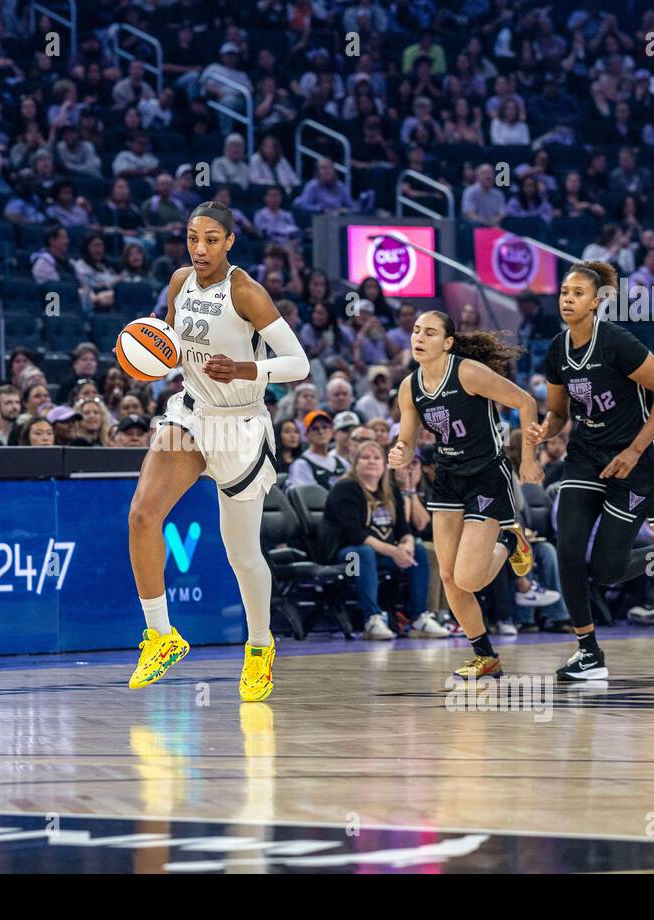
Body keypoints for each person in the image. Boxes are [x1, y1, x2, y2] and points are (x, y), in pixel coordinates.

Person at [126, 201, 310, 702]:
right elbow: (170, 344)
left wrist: (245, 369)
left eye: (211, 239)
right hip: (190, 414)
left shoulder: (246, 291)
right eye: (192, 238)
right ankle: (161, 635)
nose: (200, 248)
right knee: (142, 516)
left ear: (230, 241)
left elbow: (298, 363)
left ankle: (259, 646)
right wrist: (147, 349)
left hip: (240, 426)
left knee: (242, 555)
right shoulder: (180, 282)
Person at [528, 261, 654, 681]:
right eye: (564, 292)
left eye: (578, 294)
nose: (568, 299)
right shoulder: (557, 349)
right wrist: (544, 430)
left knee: (607, 570)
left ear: (596, 302)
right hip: (585, 456)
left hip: (634, 462)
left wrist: (634, 448)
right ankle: (588, 652)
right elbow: (559, 413)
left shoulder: (616, 342)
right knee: (568, 549)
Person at [390, 311, 540, 679]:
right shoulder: (409, 387)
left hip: (486, 476)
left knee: (469, 579)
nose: (419, 337)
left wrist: (528, 459)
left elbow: (526, 403)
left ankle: (509, 538)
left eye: (429, 332)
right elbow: (408, 440)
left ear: (448, 342)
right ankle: (486, 656)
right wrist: (401, 452)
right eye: (416, 331)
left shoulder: (468, 372)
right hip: (448, 478)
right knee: (449, 577)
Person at [324, 442, 440, 640]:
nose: (372, 462)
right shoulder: (345, 488)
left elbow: (403, 528)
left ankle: (419, 617)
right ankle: (372, 619)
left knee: (418, 551)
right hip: (345, 557)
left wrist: (407, 544)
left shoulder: (390, 490)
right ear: (355, 463)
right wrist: (394, 551)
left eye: (376, 458)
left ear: (384, 464)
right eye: (365, 457)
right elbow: (354, 534)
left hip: (380, 554)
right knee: (363, 552)